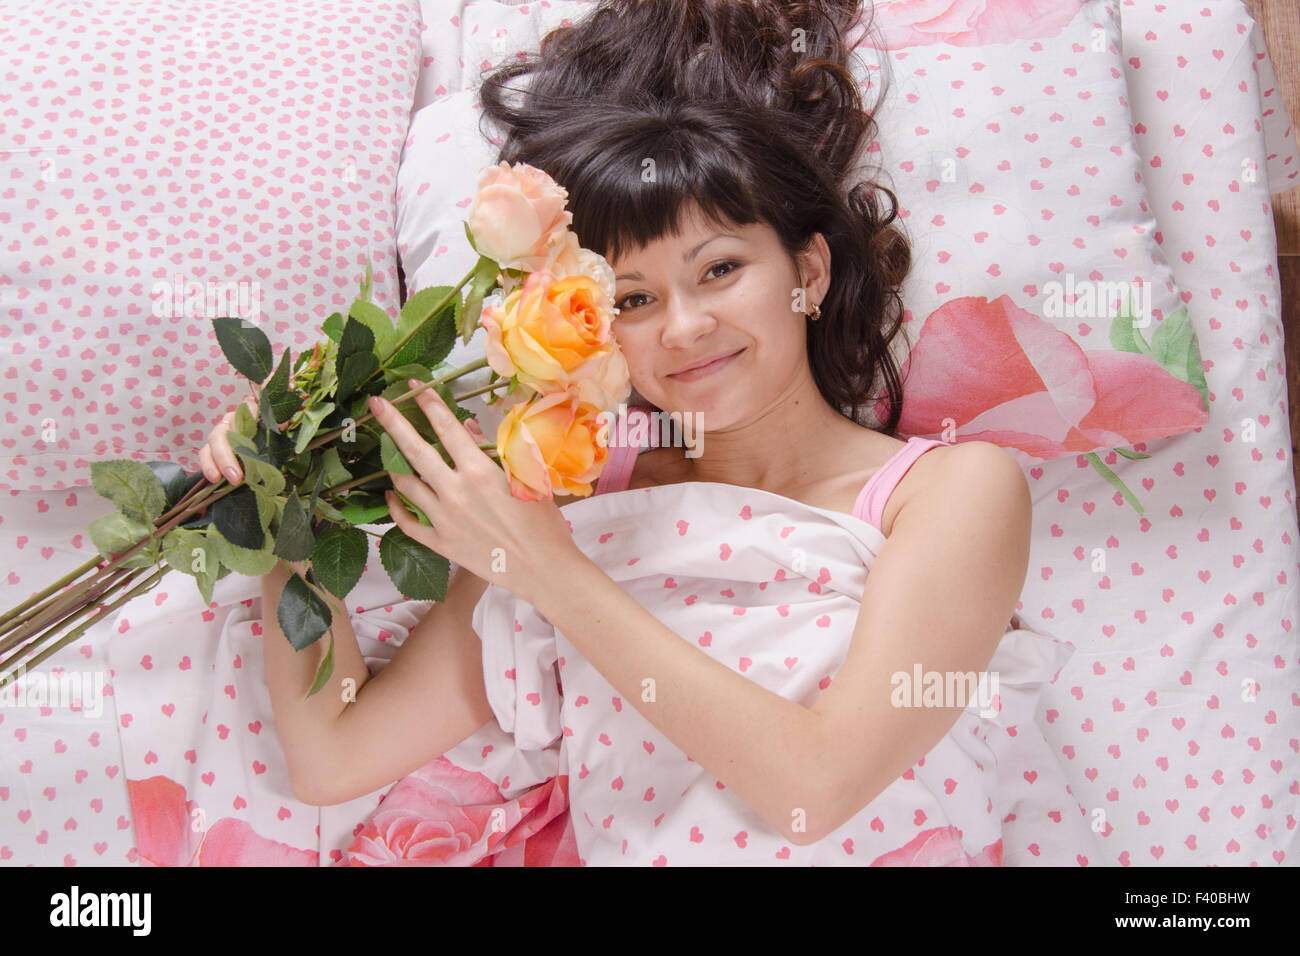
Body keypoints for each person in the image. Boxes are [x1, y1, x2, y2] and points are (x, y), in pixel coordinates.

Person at [198, 0, 1034, 862]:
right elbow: (336, 755)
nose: (684, 329)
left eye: (720, 270)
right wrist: (283, 500)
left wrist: (549, 573)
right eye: (633, 299)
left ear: (808, 271)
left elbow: (814, 790)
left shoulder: (949, 491)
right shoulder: (561, 491)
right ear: (592, 326)